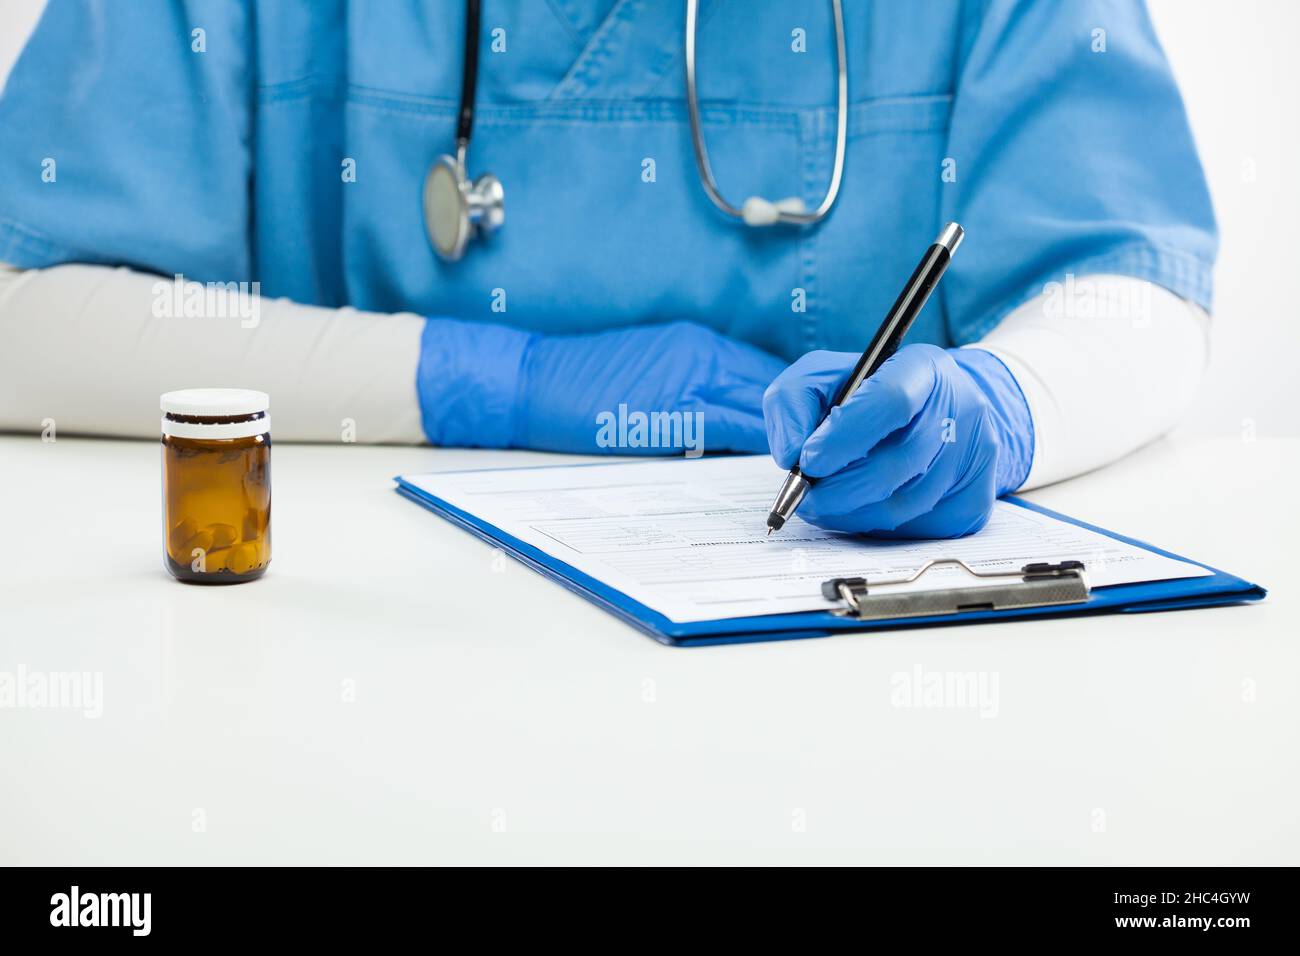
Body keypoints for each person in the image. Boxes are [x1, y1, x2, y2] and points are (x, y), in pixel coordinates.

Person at [0, 0, 1214, 538]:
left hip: (842, 660)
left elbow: (1126, 280)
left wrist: (1003, 407)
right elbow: (26, 323)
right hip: (335, 659)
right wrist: (491, 376)